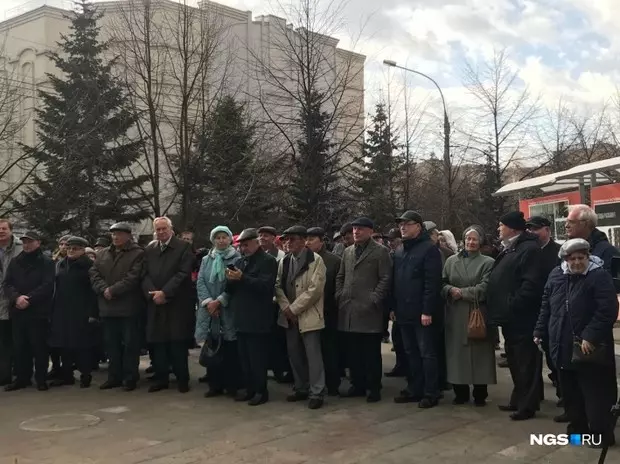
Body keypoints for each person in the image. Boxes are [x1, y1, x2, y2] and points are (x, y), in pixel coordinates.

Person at [534, 239, 618, 448]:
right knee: (571, 394)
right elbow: (546, 305)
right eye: (573, 258)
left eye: (582, 257)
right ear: (565, 259)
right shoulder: (556, 276)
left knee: (595, 394)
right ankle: (577, 431)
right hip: (561, 346)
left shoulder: (598, 276)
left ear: (588, 257)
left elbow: (607, 310)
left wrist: (590, 335)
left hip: (589, 349)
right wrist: (539, 329)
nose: (577, 262)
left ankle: (600, 434)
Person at [487, 211, 543, 421]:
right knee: (514, 359)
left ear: (512, 228)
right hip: (509, 316)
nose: (498, 229)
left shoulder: (529, 249)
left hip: (521, 316)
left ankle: (527, 405)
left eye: (501, 225)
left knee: (525, 361)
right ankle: (518, 399)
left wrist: (513, 304)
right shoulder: (512, 247)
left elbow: (530, 284)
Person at [336, 217, 391, 403]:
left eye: (360, 229)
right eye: (354, 229)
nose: (355, 232)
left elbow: (385, 278)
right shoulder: (348, 252)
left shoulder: (381, 252)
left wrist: (374, 298)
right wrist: (340, 294)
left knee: (371, 353)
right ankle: (357, 384)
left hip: (369, 310)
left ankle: (373, 387)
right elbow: (341, 275)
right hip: (349, 309)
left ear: (369, 231)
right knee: (353, 352)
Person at [392, 211, 443, 408]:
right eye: (401, 224)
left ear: (419, 227)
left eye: (407, 224)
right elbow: (396, 282)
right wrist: (393, 307)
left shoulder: (428, 249)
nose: (403, 227)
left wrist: (427, 310)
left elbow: (432, 283)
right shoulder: (399, 250)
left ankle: (431, 392)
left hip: (422, 313)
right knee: (410, 352)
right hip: (403, 311)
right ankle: (415, 388)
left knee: (426, 353)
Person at [441, 226, 496, 406]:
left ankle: (480, 393)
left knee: (480, 354)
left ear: (480, 241)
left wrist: (462, 293)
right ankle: (460, 392)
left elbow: (486, 288)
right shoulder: (450, 261)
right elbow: (442, 283)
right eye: (468, 239)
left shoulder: (487, 262)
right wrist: (450, 290)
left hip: (477, 313)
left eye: (474, 239)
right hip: (455, 314)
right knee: (457, 354)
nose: (471, 242)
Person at [276, 226, 327, 409]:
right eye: (286, 239)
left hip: (308, 314)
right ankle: (301, 387)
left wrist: (294, 309)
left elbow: (315, 290)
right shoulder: (285, 261)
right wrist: (286, 308)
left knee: (313, 356)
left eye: (292, 239)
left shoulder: (316, 260)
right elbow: (278, 286)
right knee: (294, 354)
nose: (288, 243)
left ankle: (317, 391)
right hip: (289, 316)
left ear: (303, 240)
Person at [142, 217, 195, 394]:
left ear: (171, 229)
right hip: (155, 302)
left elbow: (183, 273)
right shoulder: (150, 249)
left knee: (177, 343)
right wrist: (153, 293)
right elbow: (144, 274)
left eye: (164, 229)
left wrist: (165, 292)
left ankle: (182, 379)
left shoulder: (184, 247)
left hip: (176, 303)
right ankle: (161, 378)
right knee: (158, 343)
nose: (161, 232)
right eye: (158, 229)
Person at [90, 222, 144, 391]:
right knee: (111, 345)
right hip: (107, 307)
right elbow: (94, 273)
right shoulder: (103, 254)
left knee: (130, 345)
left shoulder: (138, 253)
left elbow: (133, 277)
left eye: (119, 234)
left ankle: (130, 378)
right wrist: (103, 289)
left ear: (128, 235)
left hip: (128, 307)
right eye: (113, 234)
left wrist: (113, 290)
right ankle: (114, 376)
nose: (115, 237)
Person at [226, 228, 278, 406]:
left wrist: (243, 278)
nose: (243, 248)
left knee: (257, 359)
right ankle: (249, 388)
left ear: (256, 243)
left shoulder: (268, 261)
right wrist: (231, 279)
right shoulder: (240, 261)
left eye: (246, 245)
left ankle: (261, 391)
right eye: (241, 245)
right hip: (241, 317)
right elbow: (231, 290)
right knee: (245, 358)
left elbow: (265, 286)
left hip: (258, 318)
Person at [3, 231, 55, 391]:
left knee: (39, 346)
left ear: (38, 243)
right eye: (24, 242)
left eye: (30, 242)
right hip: (18, 311)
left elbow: (47, 285)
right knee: (20, 347)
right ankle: (22, 378)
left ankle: (41, 378)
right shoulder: (15, 261)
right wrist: (17, 298)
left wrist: (29, 299)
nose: (27, 245)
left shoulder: (46, 262)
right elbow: (7, 284)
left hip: (37, 311)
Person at [196, 226, 242, 398]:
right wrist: (208, 302)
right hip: (210, 310)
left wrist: (220, 301)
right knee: (212, 347)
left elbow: (234, 285)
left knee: (230, 349)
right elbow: (200, 281)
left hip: (228, 309)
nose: (221, 240)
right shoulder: (207, 259)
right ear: (213, 240)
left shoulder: (237, 258)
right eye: (218, 237)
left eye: (224, 237)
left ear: (230, 239)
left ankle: (232, 386)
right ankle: (214, 385)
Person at [48, 236, 98, 388]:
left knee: (82, 346)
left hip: (81, 311)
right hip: (62, 310)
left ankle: (85, 375)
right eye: (68, 248)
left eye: (75, 248)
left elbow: (93, 291)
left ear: (83, 250)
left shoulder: (89, 266)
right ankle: (67, 375)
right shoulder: (61, 264)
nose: (70, 251)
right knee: (65, 346)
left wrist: (92, 312)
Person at [526, 215, 563, 417]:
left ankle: (563, 393)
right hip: (533, 309)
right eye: (529, 229)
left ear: (547, 230)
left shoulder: (558, 252)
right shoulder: (528, 251)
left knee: (554, 353)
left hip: (553, 310)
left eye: (536, 229)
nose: (532, 233)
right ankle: (536, 393)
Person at [306, 227, 343, 396]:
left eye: (312, 239)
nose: (308, 243)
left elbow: (337, 285)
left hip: (328, 310)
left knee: (330, 350)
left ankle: (333, 383)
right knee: (312, 350)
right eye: (306, 239)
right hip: (308, 310)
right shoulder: (304, 259)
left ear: (322, 241)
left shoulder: (334, 261)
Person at [565, 204, 620, 272]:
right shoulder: (565, 249)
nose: (566, 226)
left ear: (585, 224)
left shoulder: (607, 252)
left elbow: (610, 281)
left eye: (571, 222)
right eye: (566, 222)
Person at [0, 219, 22, 386]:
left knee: (17, 340)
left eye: (4, 228)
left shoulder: (21, 247)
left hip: (17, 299)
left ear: (10, 230)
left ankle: (20, 374)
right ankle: (5, 374)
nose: (1, 231)